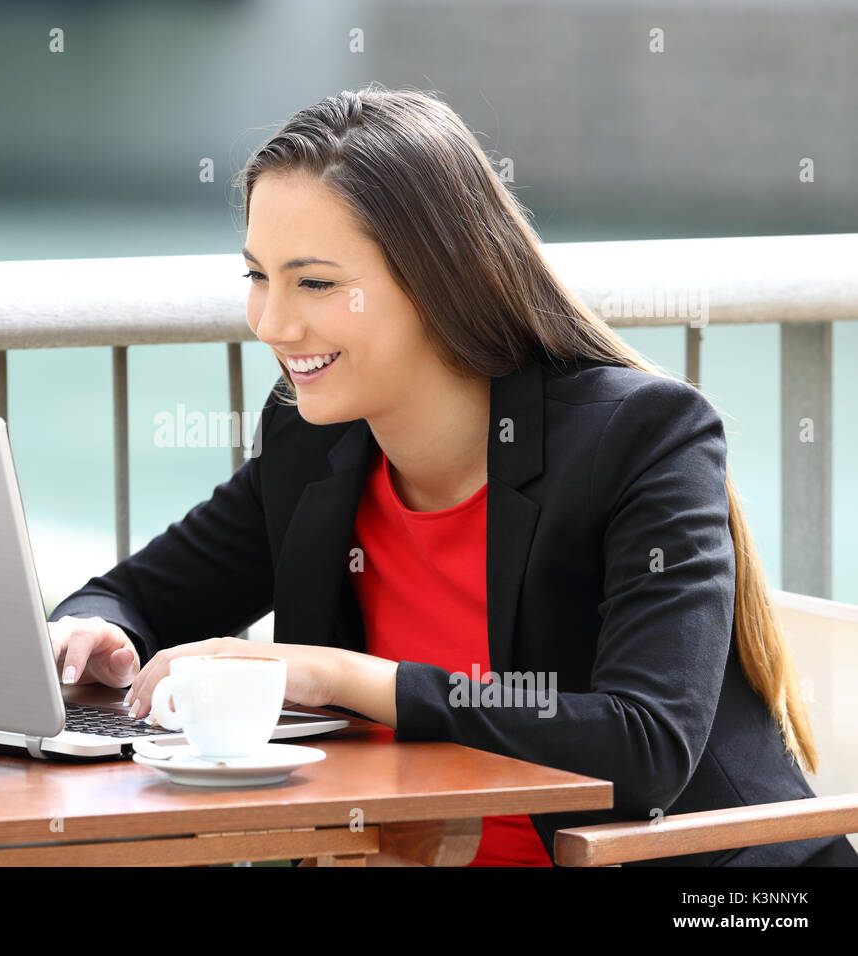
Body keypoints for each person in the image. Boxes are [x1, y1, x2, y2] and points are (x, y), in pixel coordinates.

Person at [47, 85, 857, 867]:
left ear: (436, 280)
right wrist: (95, 634)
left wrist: (348, 679)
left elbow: (645, 746)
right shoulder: (311, 443)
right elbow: (138, 597)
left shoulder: (640, 438)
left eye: (316, 282)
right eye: (258, 276)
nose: (271, 322)